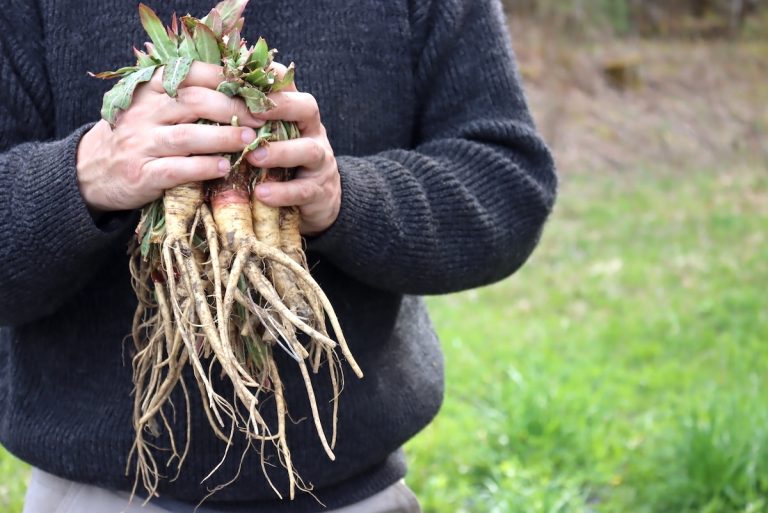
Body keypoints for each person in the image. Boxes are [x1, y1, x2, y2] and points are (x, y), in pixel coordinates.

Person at [0, 0, 557, 511]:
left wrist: (344, 199)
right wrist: (84, 176)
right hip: (96, 494)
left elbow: (508, 187)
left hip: (354, 489)